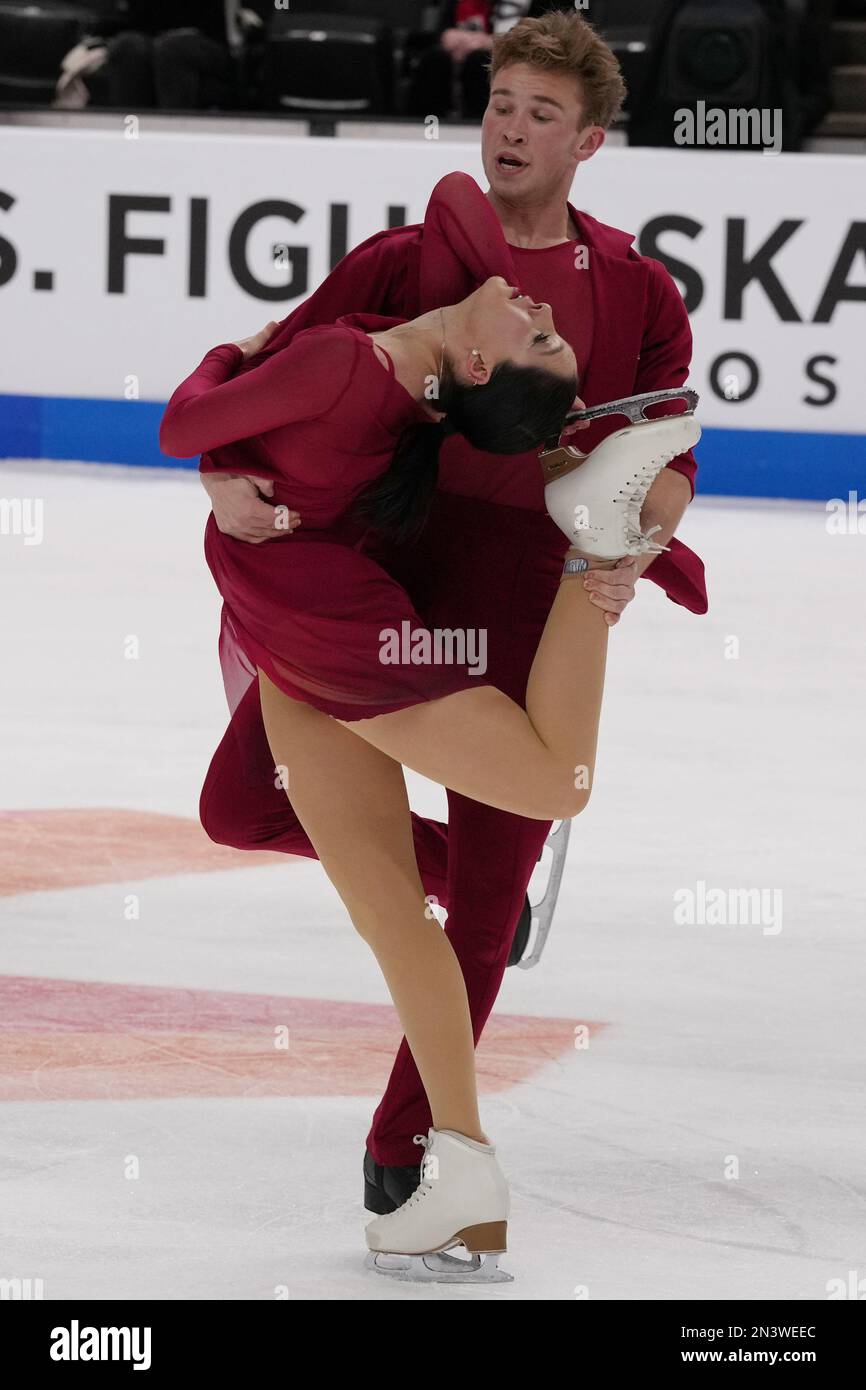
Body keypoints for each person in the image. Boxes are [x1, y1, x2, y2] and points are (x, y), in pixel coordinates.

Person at [192, 11, 707, 1225]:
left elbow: (665, 461)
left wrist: (631, 547)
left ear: (588, 141)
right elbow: (267, 377)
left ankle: (407, 1146)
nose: (509, 129)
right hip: (379, 576)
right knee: (238, 806)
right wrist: (219, 472)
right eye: (499, 104)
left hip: (522, 593)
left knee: (476, 913)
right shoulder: (404, 259)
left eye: (540, 113)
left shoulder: (632, 287)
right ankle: (466, 876)